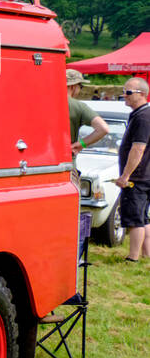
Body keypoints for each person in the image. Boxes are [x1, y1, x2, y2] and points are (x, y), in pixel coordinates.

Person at [114, 76, 150, 263]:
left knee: (135, 219)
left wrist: (125, 175)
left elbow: (138, 148)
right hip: (144, 174)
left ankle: (133, 258)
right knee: (143, 217)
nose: (124, 95)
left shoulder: (143, 116)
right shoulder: (142, 114)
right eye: (124, 91)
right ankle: (145, 255)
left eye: (128, 92)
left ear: (142, 94)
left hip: (137, 176)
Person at [67, 68, 109, 156]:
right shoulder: (78, 106)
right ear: (73, 87)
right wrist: (81, 144)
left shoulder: (42, 102)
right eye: (81, 86)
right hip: (66, 160)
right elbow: (103, 128)